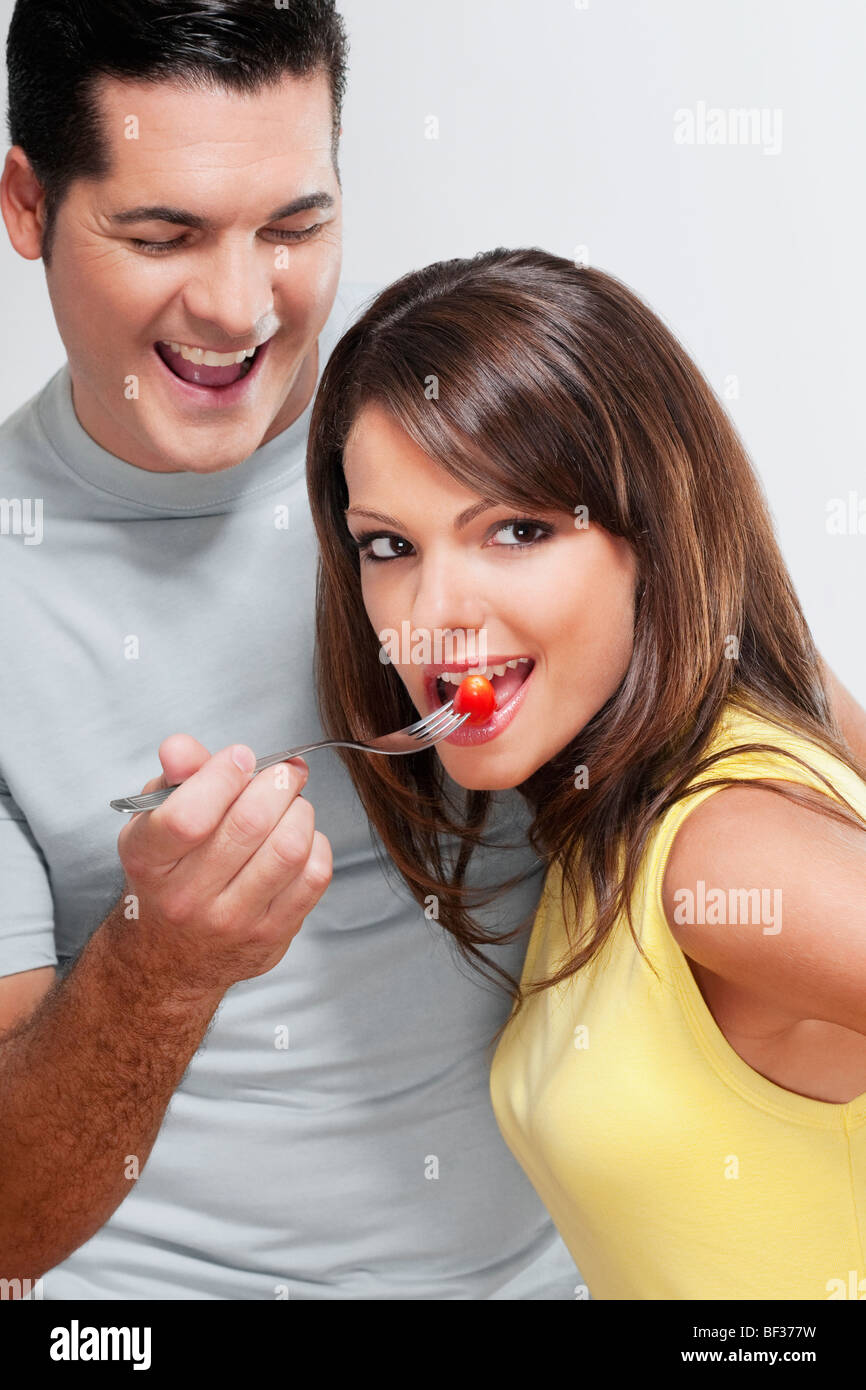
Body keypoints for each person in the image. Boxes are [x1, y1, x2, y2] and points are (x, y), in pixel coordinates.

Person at [0, 1, 582, 1299]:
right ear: (28, 204)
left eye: (295, 226)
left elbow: (770, 725)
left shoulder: (487, 432)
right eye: (162, 233)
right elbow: (6, 1220)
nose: (236, 306)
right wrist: (161, 961)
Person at [306, 246, 866, 1300]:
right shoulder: (628, 800)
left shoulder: (720, 851)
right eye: (388, 547)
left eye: (514, 530)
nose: (430, 621)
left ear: (653, 533)